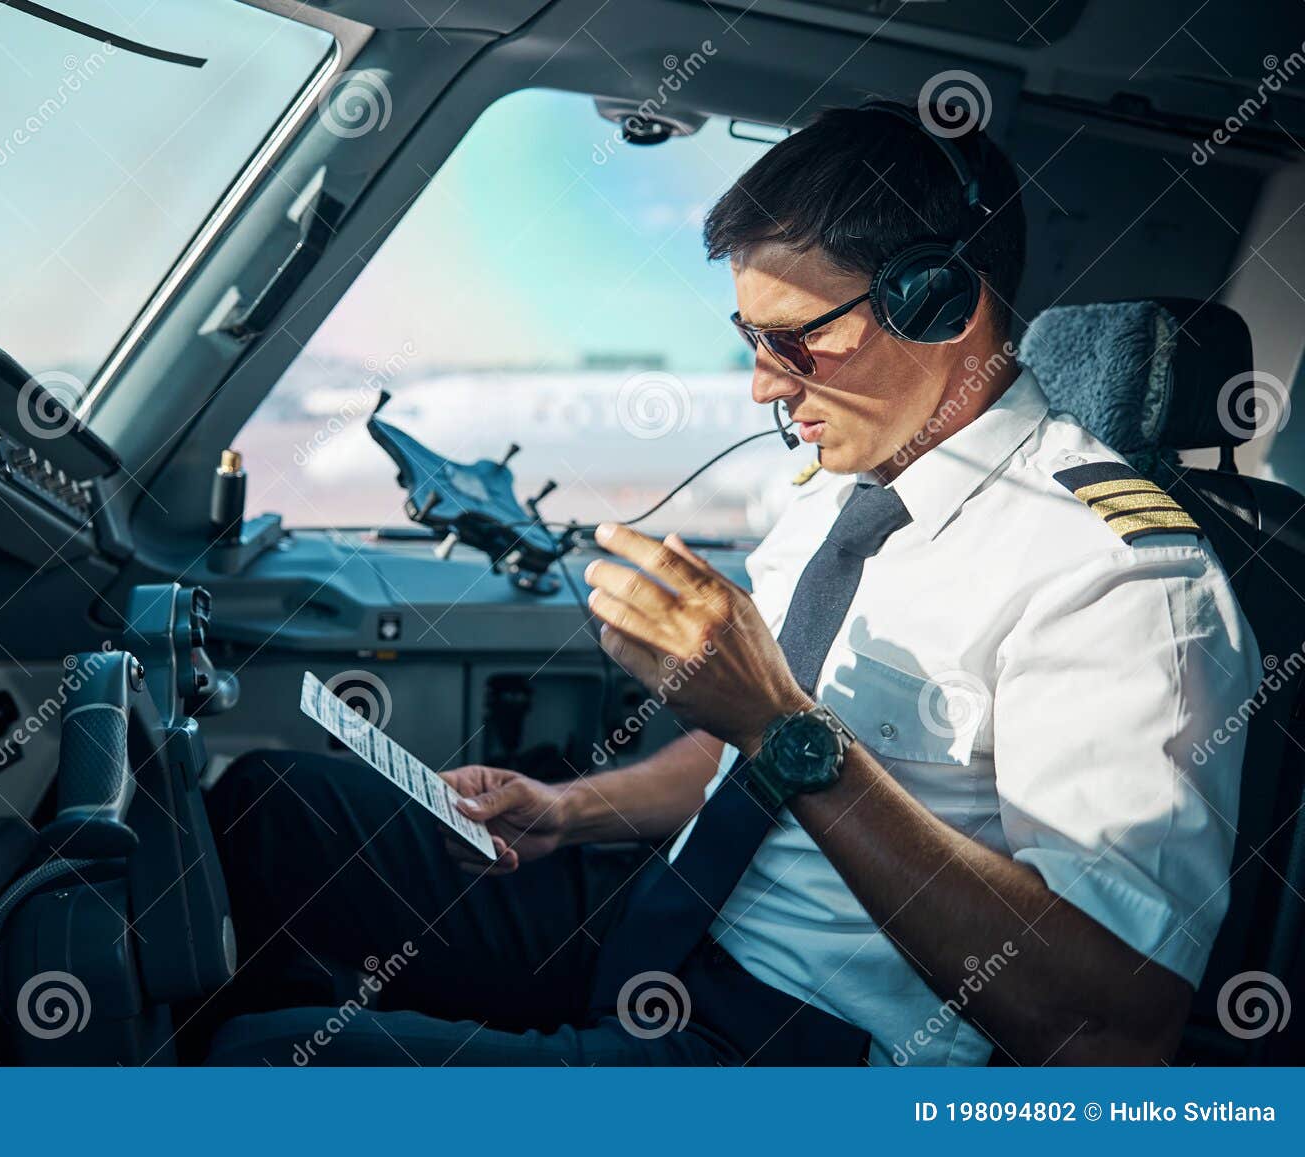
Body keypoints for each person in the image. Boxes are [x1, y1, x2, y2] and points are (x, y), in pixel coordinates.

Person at [204, 101, 1261, 1066]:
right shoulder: (833, 486)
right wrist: (571, 808)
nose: (763, 382)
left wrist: (784, 728)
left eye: (797, 339)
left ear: (940, 302)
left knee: (262, 1066)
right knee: (274, 807)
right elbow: (733, 753)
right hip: (658, 917)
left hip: (801, 1044)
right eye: (750, 338)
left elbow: (1110, 1024)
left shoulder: (1114, 575)